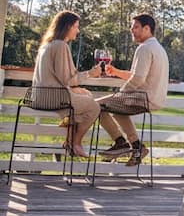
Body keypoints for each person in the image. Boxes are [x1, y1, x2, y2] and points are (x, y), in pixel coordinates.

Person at [91, 14, 169, 165]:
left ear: (147, 29)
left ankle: (121, 143)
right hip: (153, 98)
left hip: (142, 97)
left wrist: (121, 93)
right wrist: (117, 72)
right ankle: (137, 147)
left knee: (95, 106)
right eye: (132, 27)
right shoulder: (158, 48)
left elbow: (138, 79)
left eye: (136, 27)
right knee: (115, 107)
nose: (131, 30)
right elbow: (138, 75)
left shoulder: (144, 48)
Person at [32, 11, 101, 157]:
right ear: (68, 26)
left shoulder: (46, 45)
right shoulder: (60, 46)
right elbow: (66, 79)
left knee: (86, 96)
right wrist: (90, 74)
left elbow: (57, 78)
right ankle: (75, 143)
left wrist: (77, 90)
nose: (78, 30)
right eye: (76, 26)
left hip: (38, 97)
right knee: (94, 107)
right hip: (54, 98)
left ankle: (69, 138)